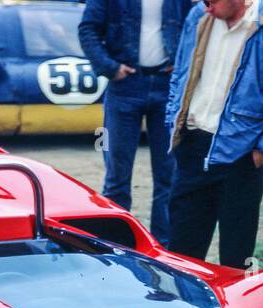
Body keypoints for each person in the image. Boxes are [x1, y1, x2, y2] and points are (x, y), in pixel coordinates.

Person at [164, 0, 263, 269]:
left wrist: (261, 152)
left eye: (210, 1)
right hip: (192, 148)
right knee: (181, 257)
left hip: (240, 157)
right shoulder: (198, 17)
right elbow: (179, 74)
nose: (205, 7)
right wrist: (173, 120)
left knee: (235, 259)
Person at [79, 0, 185, 247]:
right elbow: (87, 28)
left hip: (167, 83)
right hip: (124, 85)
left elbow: (196, 26)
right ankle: (116, 246)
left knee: (168, 176)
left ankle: (164, 249)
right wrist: (109, 67)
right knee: (117, 176)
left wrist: (182, 62)